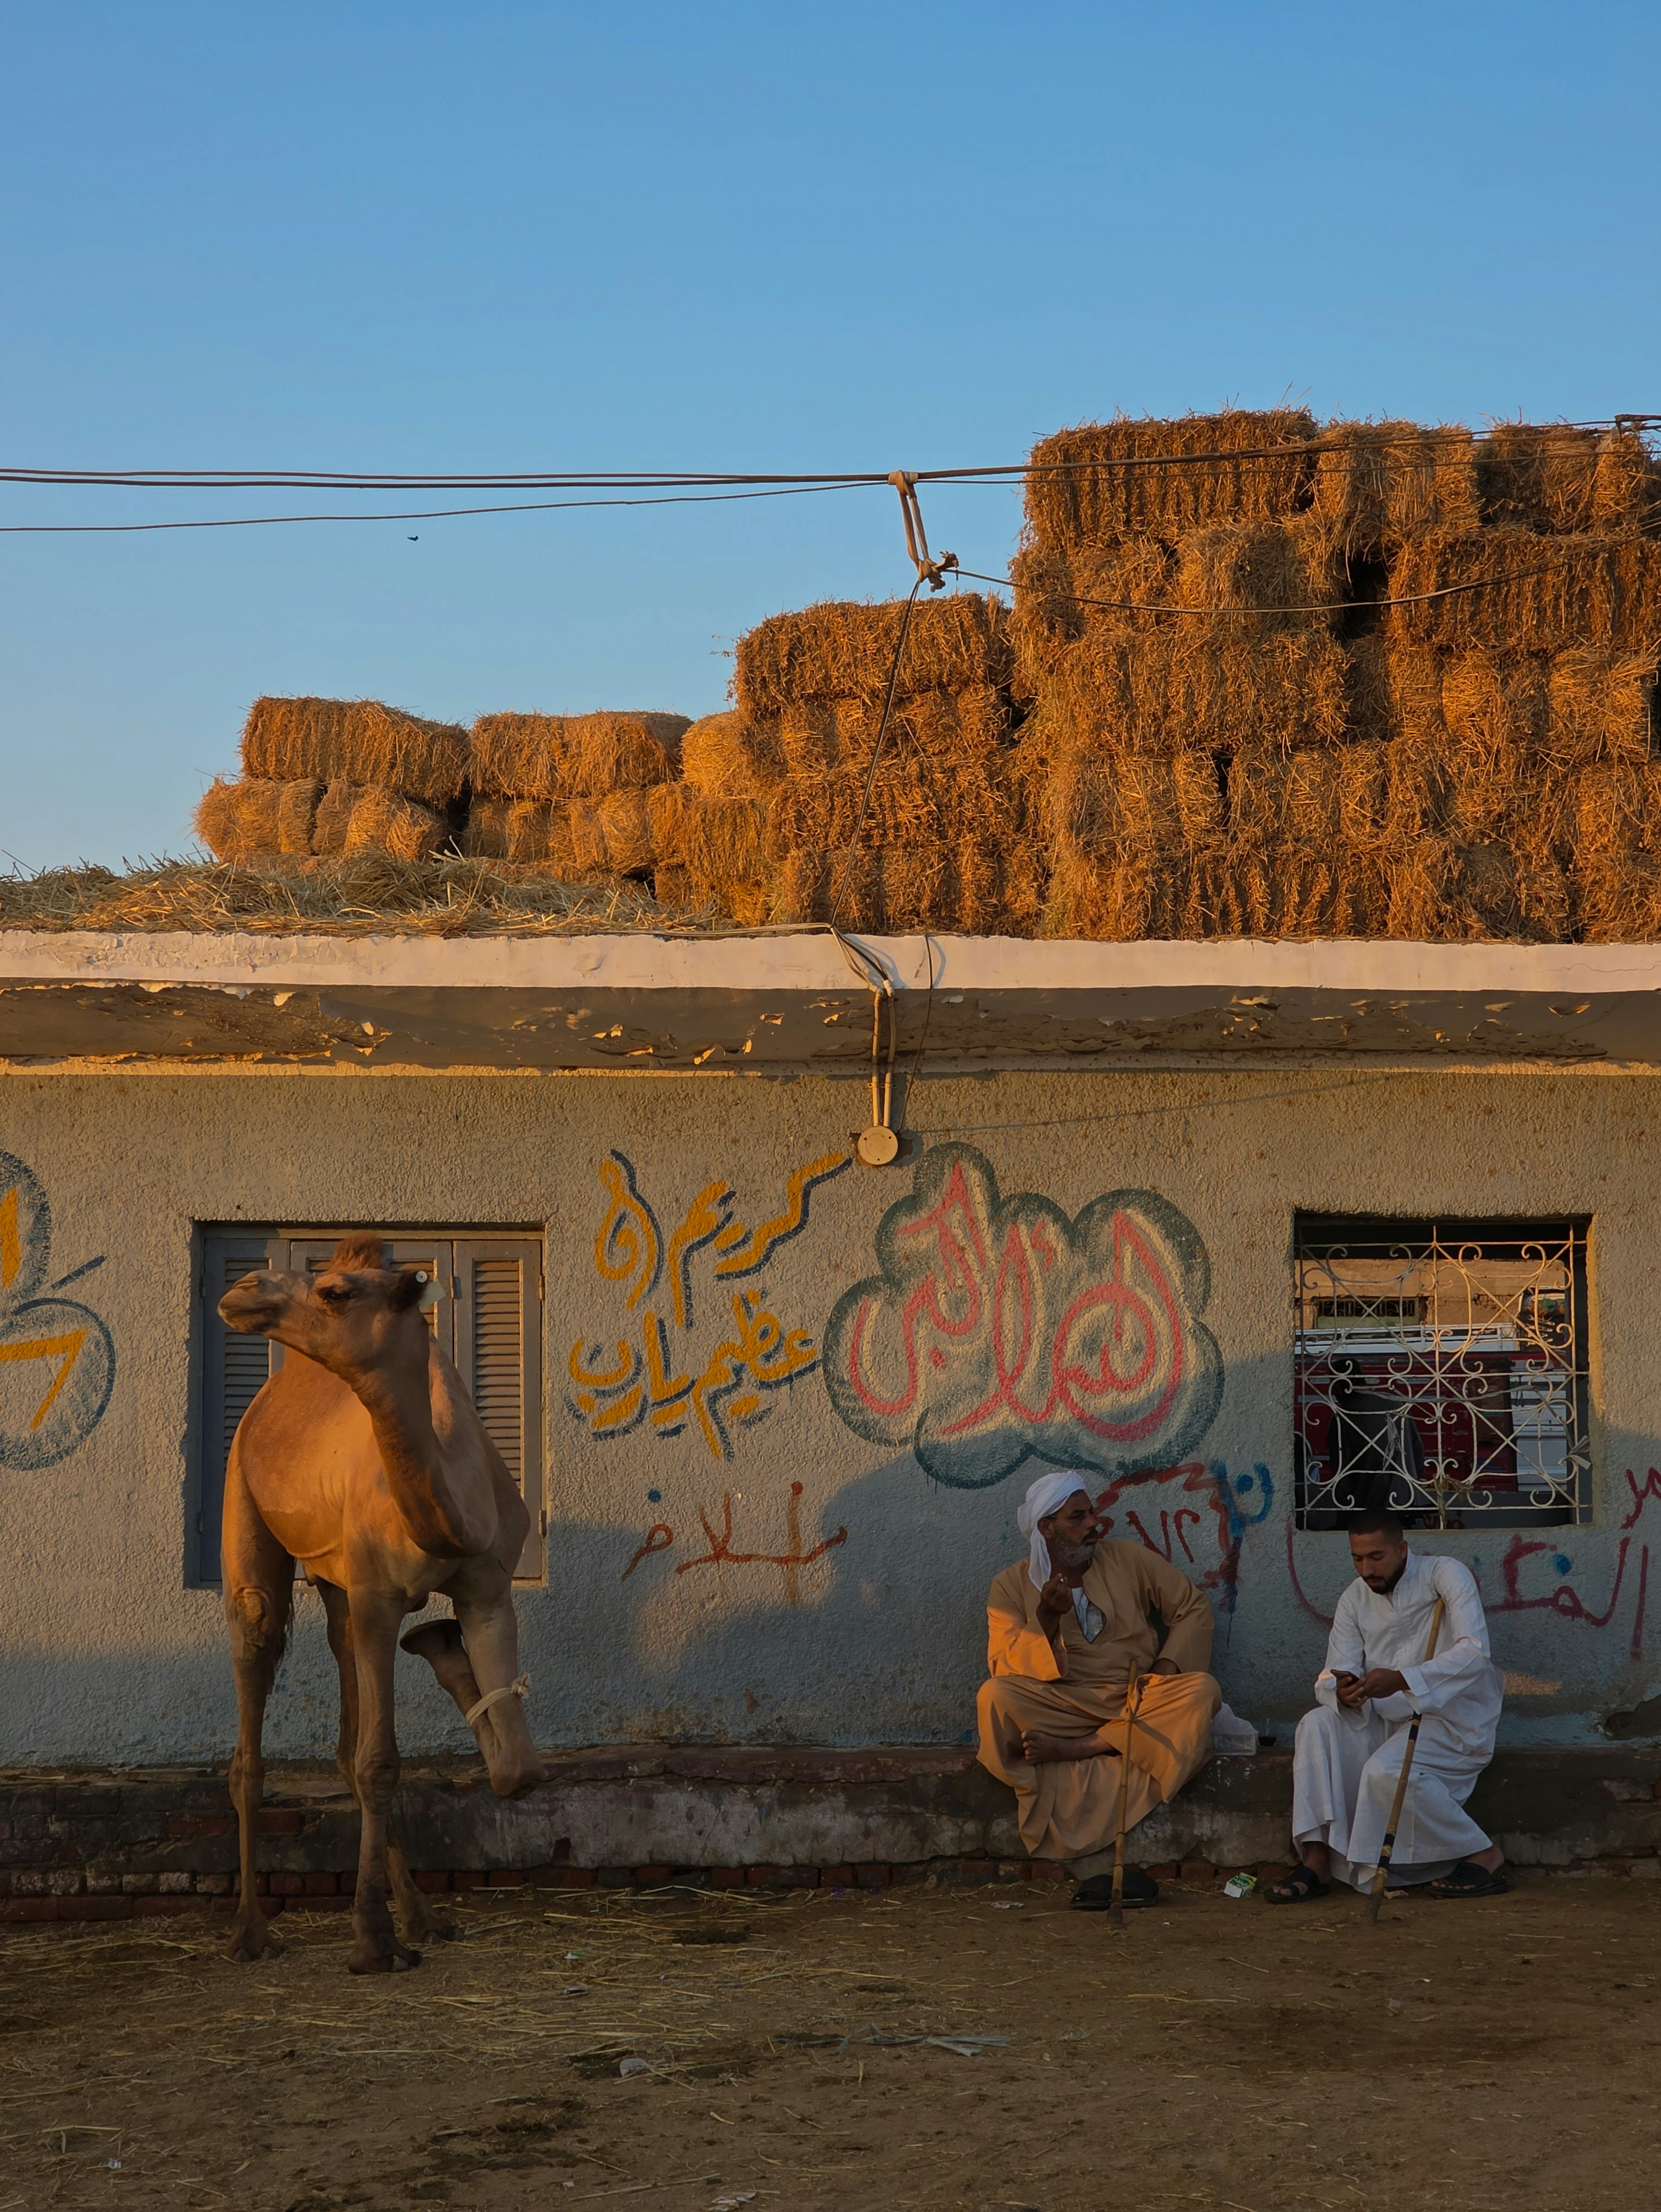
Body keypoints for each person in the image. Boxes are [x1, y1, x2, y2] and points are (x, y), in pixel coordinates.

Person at [975, 1470, 1221, 1908]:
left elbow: (1192, 1607)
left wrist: (1164, 1672)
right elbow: (1005, 1665)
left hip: (1134, 1699)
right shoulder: (1010, 1586)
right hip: (1060, 1704)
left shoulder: (1128, 1558)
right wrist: (1046, 1620)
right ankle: (1116, 1743)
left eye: (1091, 1514)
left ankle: (1085, 1748)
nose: (1093, 1524)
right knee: (994, 1698)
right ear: (1046, 1528)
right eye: (1078, 1518)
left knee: (1201, 1691)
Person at [1267, 1509, 1507, 1902]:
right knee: (1315, 1724)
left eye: (1376, 1557)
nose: (1367, 1569)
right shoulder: (1354, 1598)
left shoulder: (1445, 1575)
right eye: (1358, 1559)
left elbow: (1475, 1654)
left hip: (1448, 1718)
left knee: (1384, 1772)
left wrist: (1404, 1679)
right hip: (1382, 1717)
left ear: (1402, 1549)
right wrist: (1342, 1690)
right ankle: (1317, 1859)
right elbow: (1333, 1670)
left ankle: (1482, 1852)